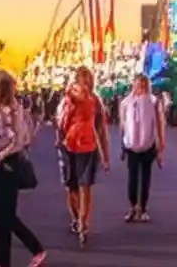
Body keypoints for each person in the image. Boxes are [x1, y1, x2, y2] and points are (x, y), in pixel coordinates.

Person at [0, 70, 47, 267]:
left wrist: (0, 157)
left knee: (6, 215)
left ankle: (36, 249)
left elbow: (18, 141)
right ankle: (3, 261)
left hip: (5, 164)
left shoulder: (9, 112)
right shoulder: (0, 110)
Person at [56, 66, 110, 245]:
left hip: (88, 147)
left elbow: (102, 129)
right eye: (82, 80)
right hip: (68, 146)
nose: (85, 84)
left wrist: (105, 155)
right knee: (71, 186)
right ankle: (77, 217)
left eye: (88, 80)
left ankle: (83, 223)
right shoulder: (67, 99)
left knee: (85, 186)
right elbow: (60, 122)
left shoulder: (95, 101)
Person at [119, 74, 165, 223]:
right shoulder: (126, 102)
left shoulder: (154, 101)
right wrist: (122, 144)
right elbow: (123, 123)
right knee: (132, 178)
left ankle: (143, 208)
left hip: (148, 144)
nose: (140, 89)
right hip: (131, 145)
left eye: (143, 86)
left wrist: (160, 145)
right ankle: (133, 207)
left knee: (145, 178)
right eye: (138, 85)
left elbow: (159, 123)